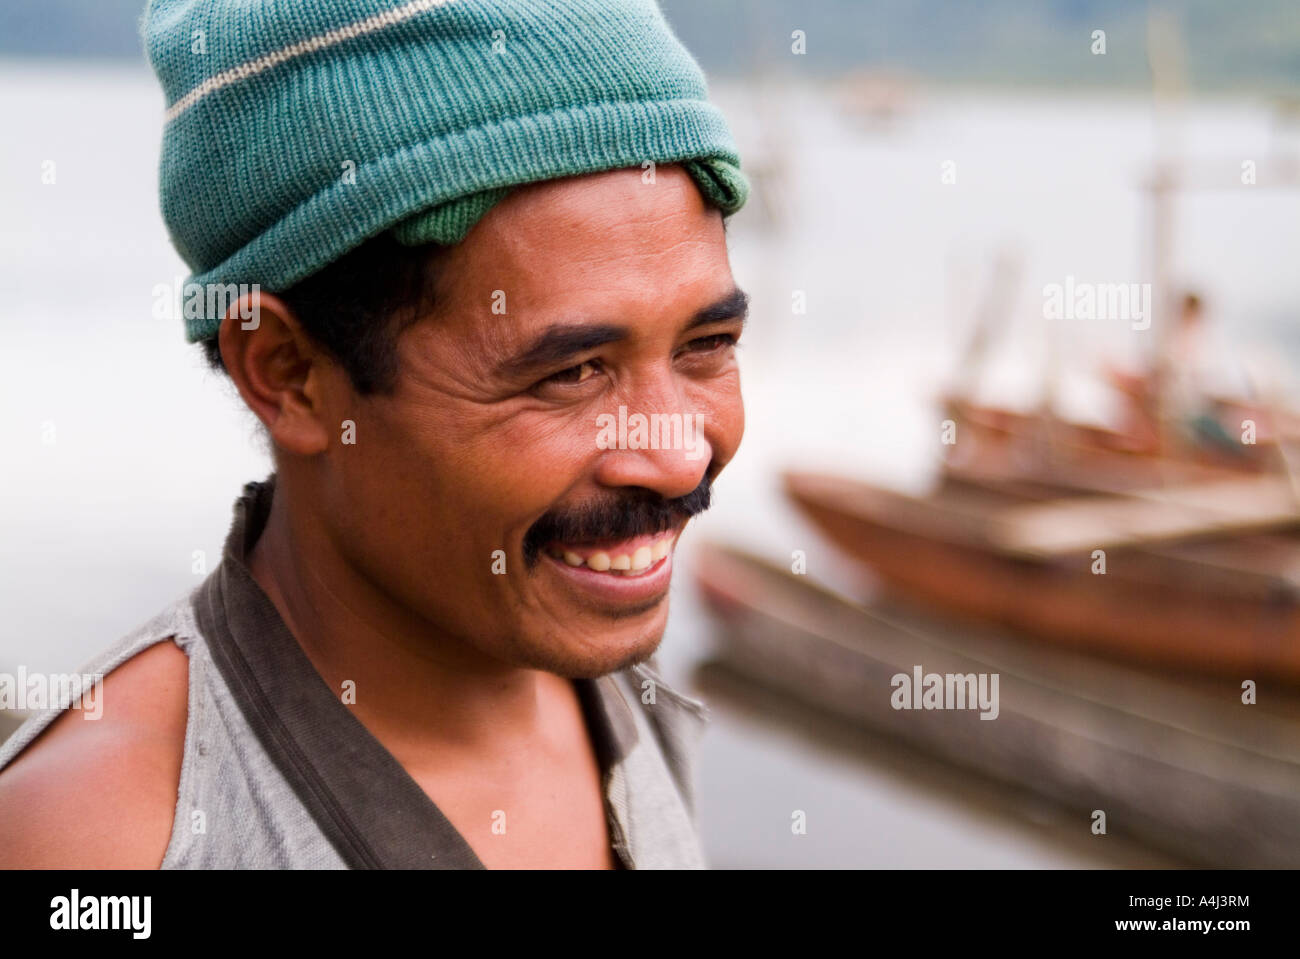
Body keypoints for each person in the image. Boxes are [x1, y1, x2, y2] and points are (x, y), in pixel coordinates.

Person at [0, 0, 750, 869]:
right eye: (572, 372)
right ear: (286, 371)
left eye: (707, 346)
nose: (679, 454)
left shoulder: (630, 697)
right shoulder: (101, 843)